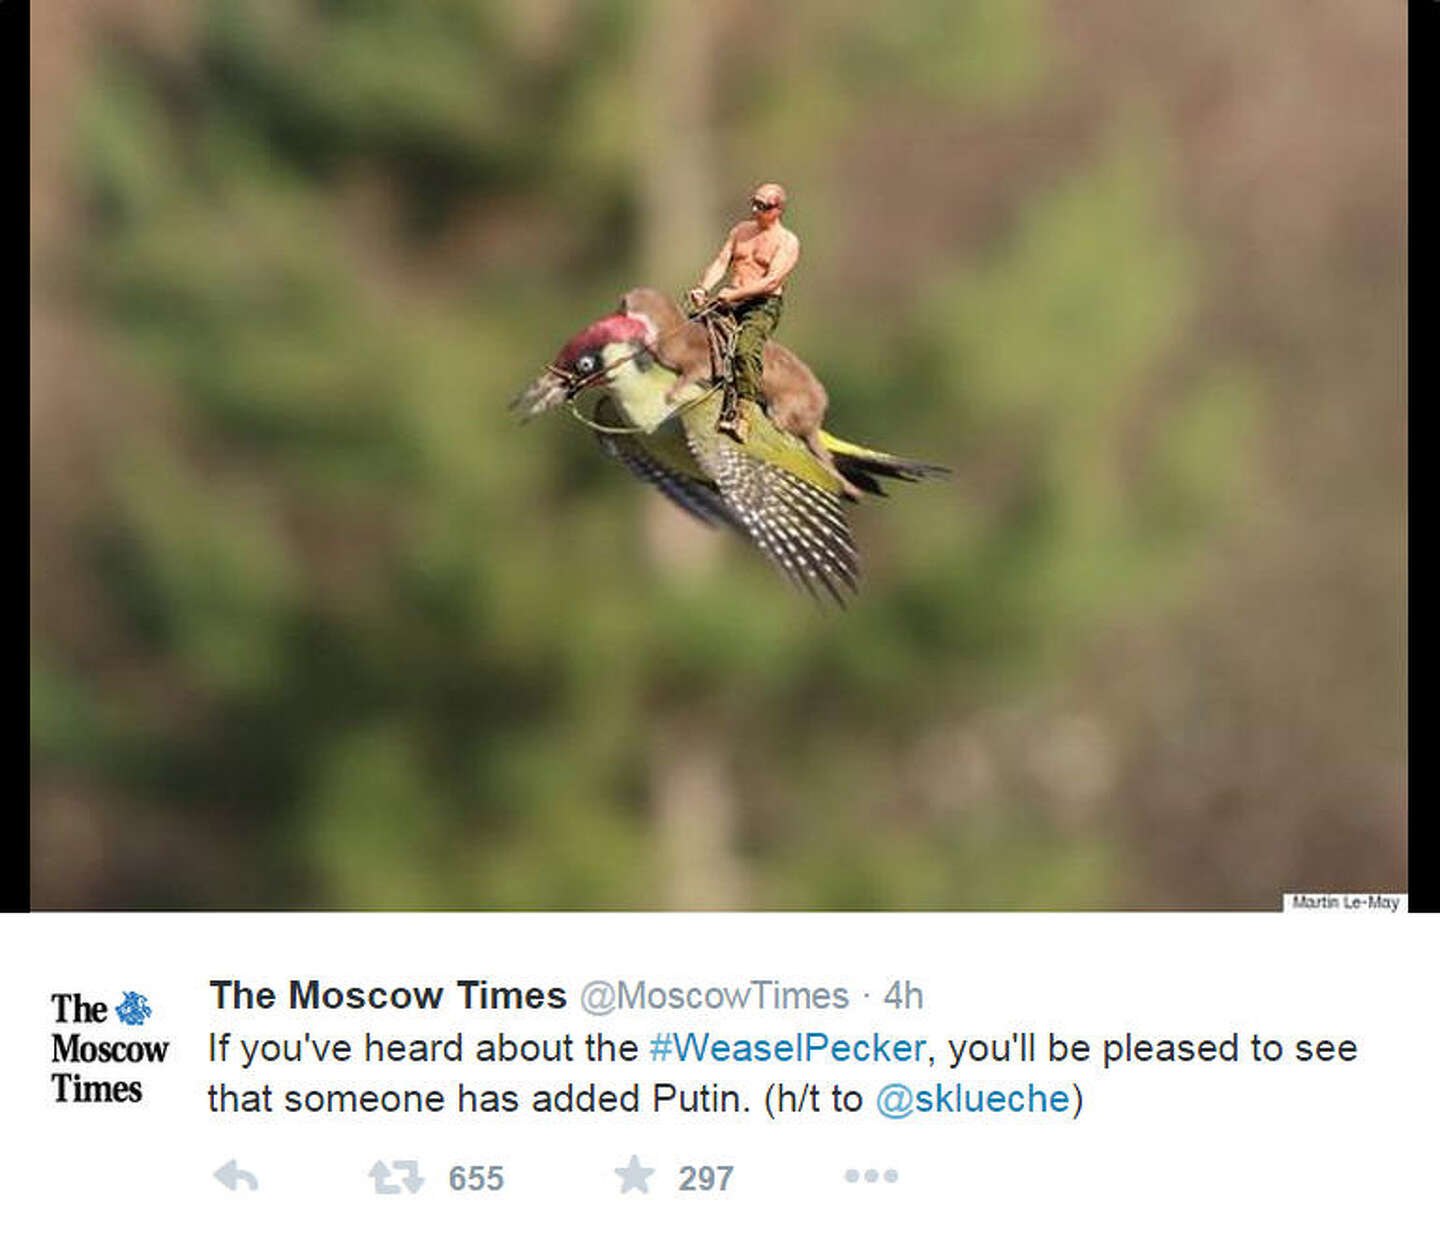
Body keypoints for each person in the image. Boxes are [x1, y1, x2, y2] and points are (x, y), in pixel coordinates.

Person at [688, 183, 799, 443]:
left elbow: (771, 281)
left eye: (763, 206)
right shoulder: (740, 231)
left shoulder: (787, 242)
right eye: (754, 203)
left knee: (745, 349)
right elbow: (721, 262)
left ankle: (744, 415)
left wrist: (736, 294)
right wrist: (703, 288)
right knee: (691, 330)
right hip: (730, 299)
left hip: (761, 304)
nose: (755, 210)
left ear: (778, 209)